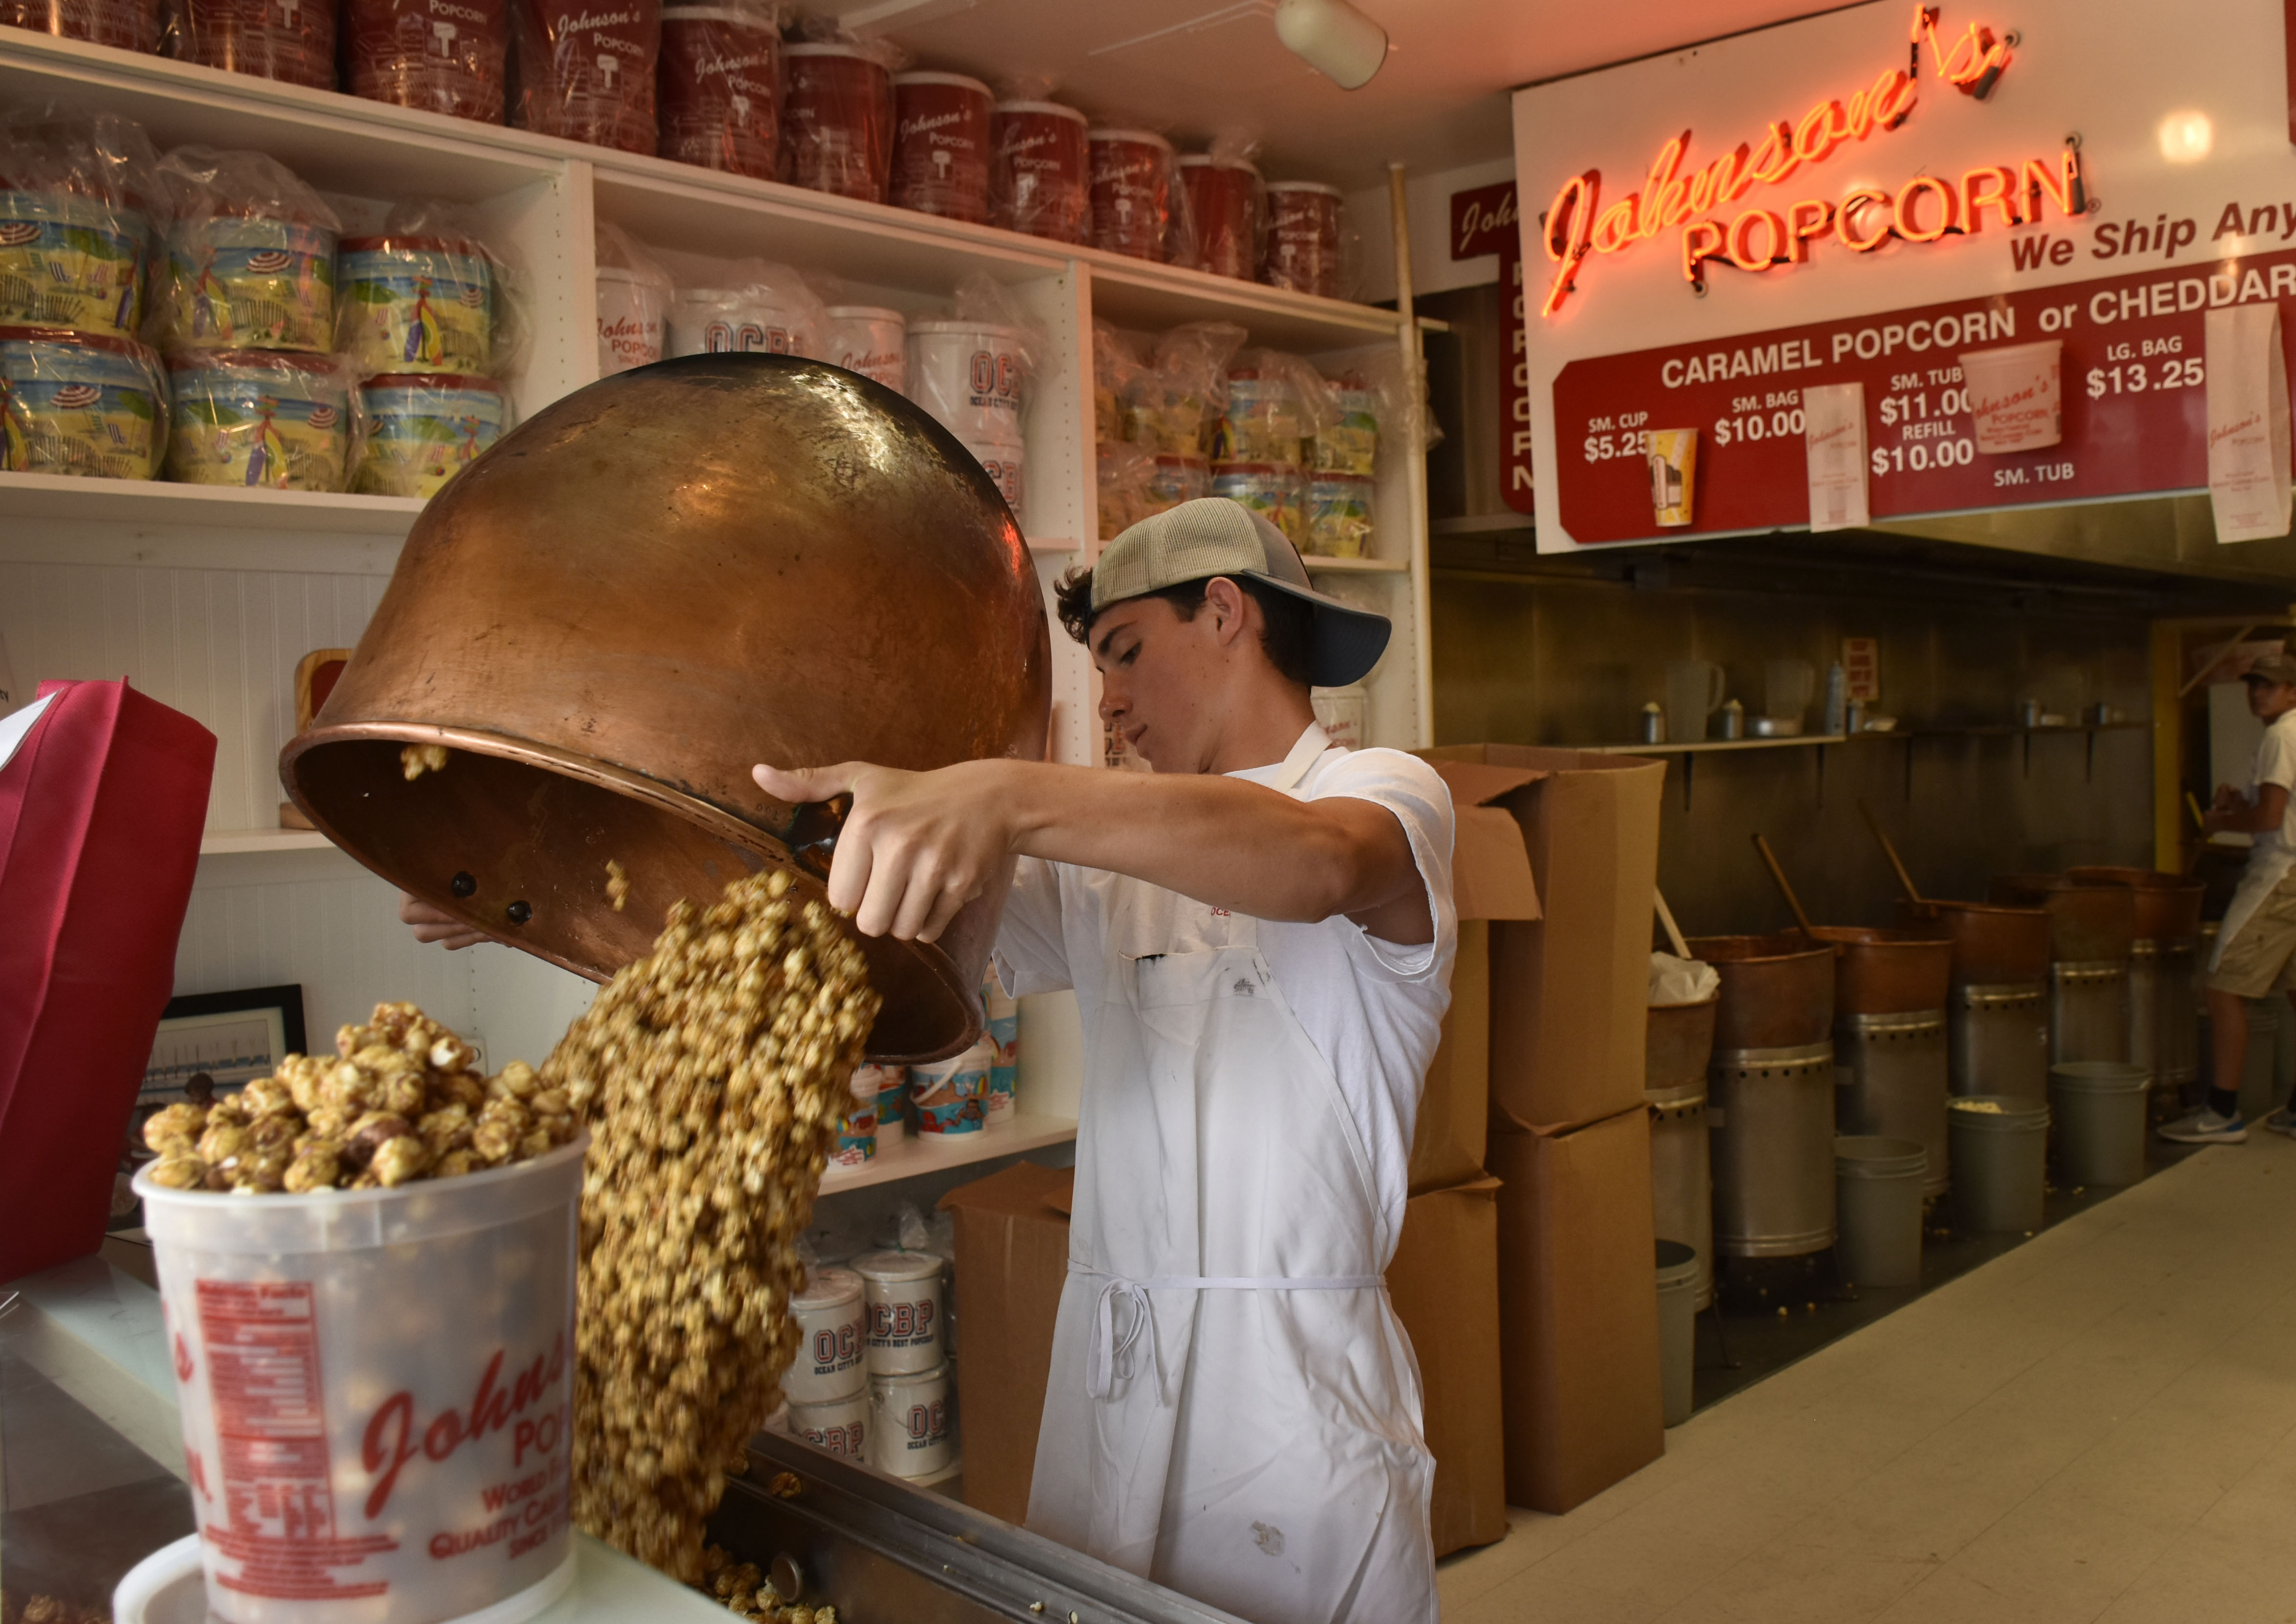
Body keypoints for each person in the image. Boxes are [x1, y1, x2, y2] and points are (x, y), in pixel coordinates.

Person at [403, 498, 1456, 1624]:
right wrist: (565, 887)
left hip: (1289, 1398)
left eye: (1124, 650)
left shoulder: (1381, 791)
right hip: (1113, 1382)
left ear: (1226, 611)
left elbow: (1320, 867)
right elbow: (832, 920)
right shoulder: (1108, 864)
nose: (1107, 698)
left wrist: (1005, 790)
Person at [2162, 651, 2296, 1144]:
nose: (2257, 693)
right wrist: (2240, 802)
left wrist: (2221, 821)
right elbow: (2274, 807)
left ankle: (2221, 1113)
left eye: (2269, 686)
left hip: (2280, 875)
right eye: (2253, 685)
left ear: (2293, 692)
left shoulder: (2282, 735)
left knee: (2221, 988)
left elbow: (2269, 819)